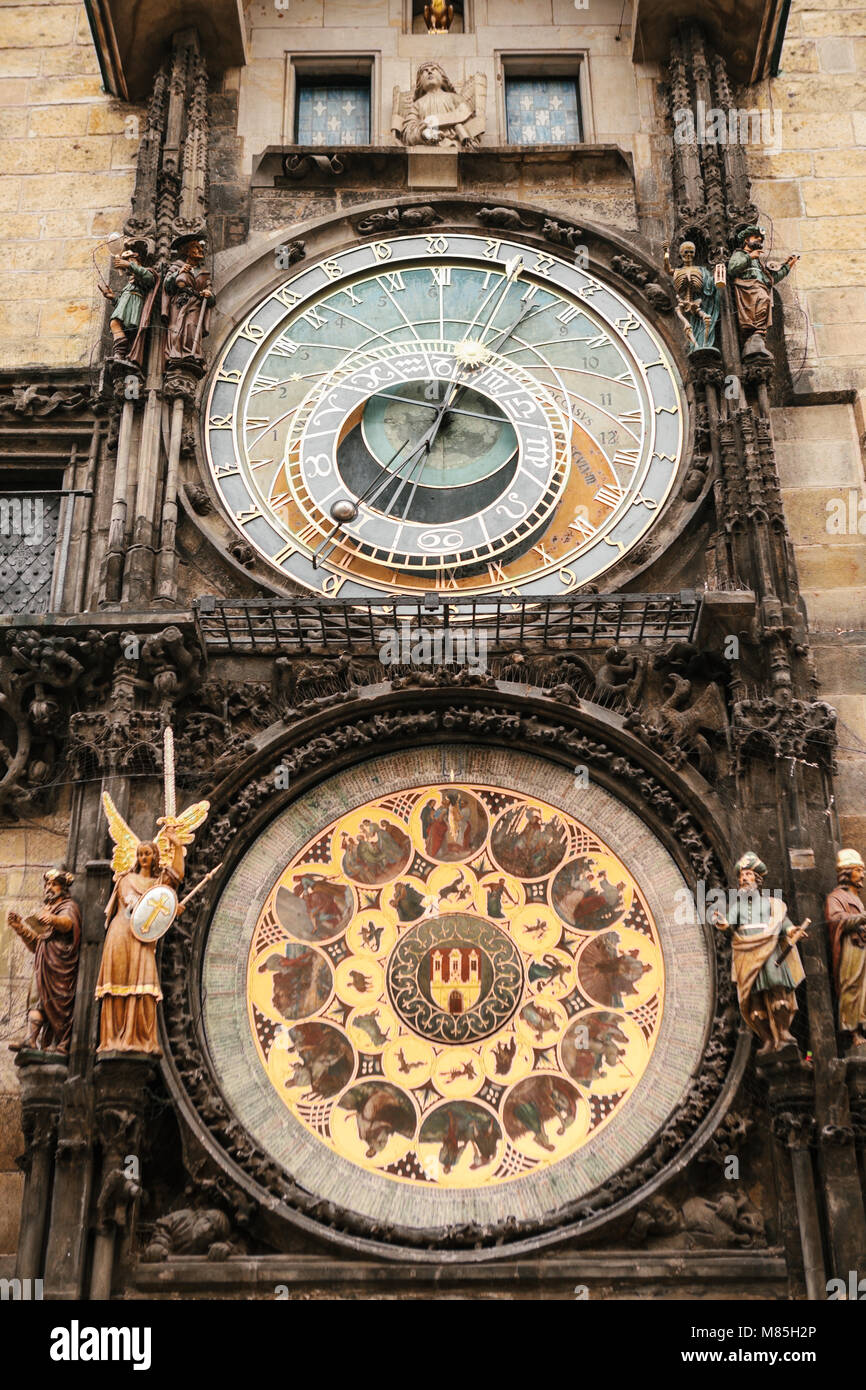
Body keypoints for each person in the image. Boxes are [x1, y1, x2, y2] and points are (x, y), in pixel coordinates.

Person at [96, 830, 185, 1054]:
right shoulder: (127, 879)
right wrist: (166, 907)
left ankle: (141, 1038)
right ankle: (114, 1038)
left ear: (155, 857)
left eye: (148, 853)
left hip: (143, 938)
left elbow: (176, 876)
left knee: (145, 985)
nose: (144, 857)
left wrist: (175, 845)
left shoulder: (158, 882)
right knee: (117, 983)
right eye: (140, 854)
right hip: (122, 932)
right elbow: (132, 903)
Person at [713, 851, 808, 1055]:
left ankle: (783, 1033)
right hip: (746, 952)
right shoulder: (737, 906)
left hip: (769, 949)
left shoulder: (770, 903)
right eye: (741, 876)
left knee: (777, 989)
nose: (743, 879)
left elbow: (782, 922)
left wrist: (792, 930)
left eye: (747, 874)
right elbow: (729, 924)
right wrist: (722, 923)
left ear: (757, 879)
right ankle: (766, 1039)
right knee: (753, 998)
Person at [6, 869, 80, 1052]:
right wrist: (19, 928)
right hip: (43, 963)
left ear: (63, 888)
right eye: (47, 884)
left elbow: (68, 924)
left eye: (54, 884)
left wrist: (53, 919)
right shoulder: (47, 910)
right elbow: (36, 944)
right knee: (36, 999)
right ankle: (31, 1039)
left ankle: (61, 1043)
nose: (49, 887)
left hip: (59, 965)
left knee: (58, 1003)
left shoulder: (68, 906)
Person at [727, 225, 798, 358]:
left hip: (759, 287)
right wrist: (750, 257)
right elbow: (732, 269)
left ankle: (758, 334)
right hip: (748, 289)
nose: (759, 241)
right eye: (756, 238)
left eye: (760, 239)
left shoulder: (758, 262)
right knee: (764, 299)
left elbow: (770, 279)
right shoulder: (740, 254)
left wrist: (788, 265)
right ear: (746, 240)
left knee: (765, 300)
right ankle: (756, 333)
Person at [825, 848, 866, 1049]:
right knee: (851, 987)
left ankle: (862, 1025)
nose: (863, 874)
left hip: (862, 949)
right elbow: (834, 919)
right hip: (850, 950)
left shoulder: (857, 898)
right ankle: (853, 1031)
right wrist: (860, 918)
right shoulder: (835, 897)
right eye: (859, 870)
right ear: (847, 872)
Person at [161, 233, 215, 364]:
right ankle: (175, 353)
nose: (200, 250)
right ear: (186, 250)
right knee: (176, 328)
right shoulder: (176, 267)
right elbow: (167, 286)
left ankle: (192, 354)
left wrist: (209, 295)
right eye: (196, 247)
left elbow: (212, 300)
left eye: (200, 247)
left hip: (195, 304)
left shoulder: (204, 273)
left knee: (191, 327)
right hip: (179, 303)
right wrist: (178, 273)